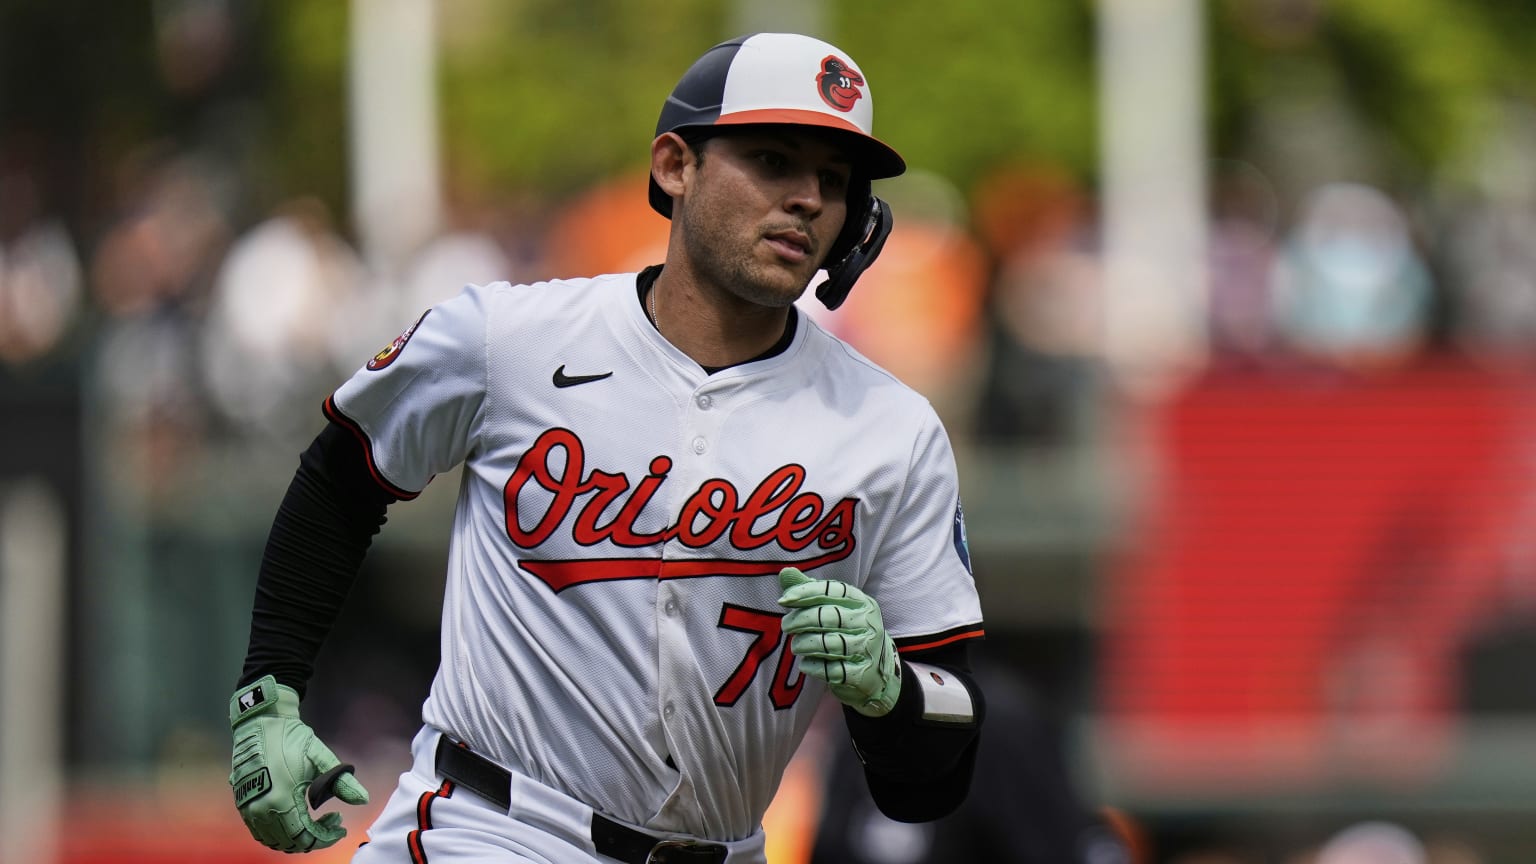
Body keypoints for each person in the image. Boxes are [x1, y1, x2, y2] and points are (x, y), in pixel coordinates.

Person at [226, 32, 987, 864]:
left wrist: (892, 698)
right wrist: (270, 692)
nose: (806, 198)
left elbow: (933, 775)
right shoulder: (506, 338)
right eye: (772, 160)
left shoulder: (892, 429)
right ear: (674, 165)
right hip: (491, 830)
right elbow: (343, 479)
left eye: (833, 182)